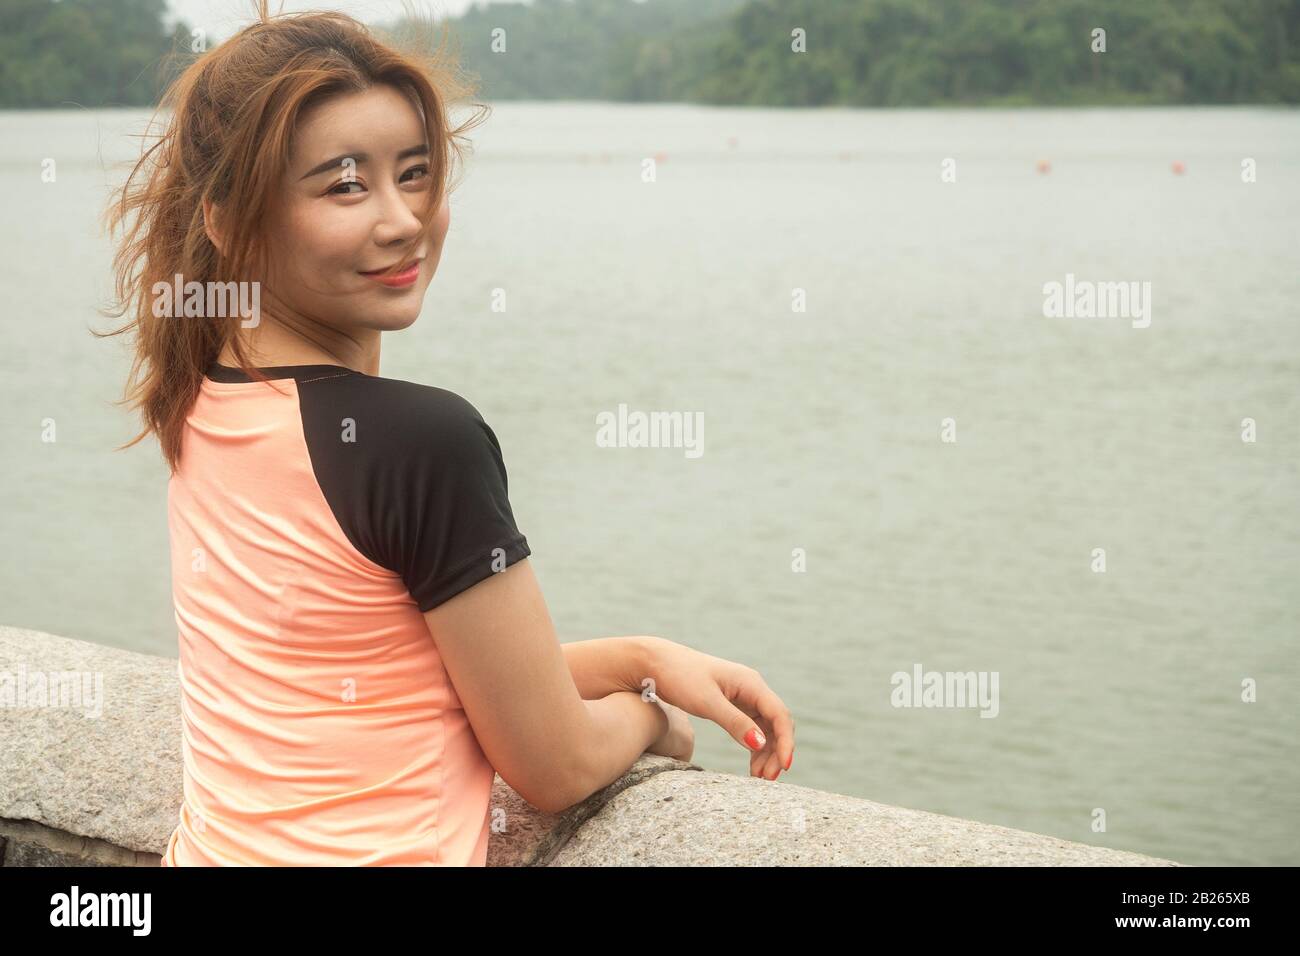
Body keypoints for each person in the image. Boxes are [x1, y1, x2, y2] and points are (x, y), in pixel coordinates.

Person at [99, 3, 794, 866]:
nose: (402, 221)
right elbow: (554, 762)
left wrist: (643, 658)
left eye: (416, 174)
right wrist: (653, 717)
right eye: (345, 185)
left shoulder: (200, 400)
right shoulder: (421, 439)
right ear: (230, 220)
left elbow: (383, 667)